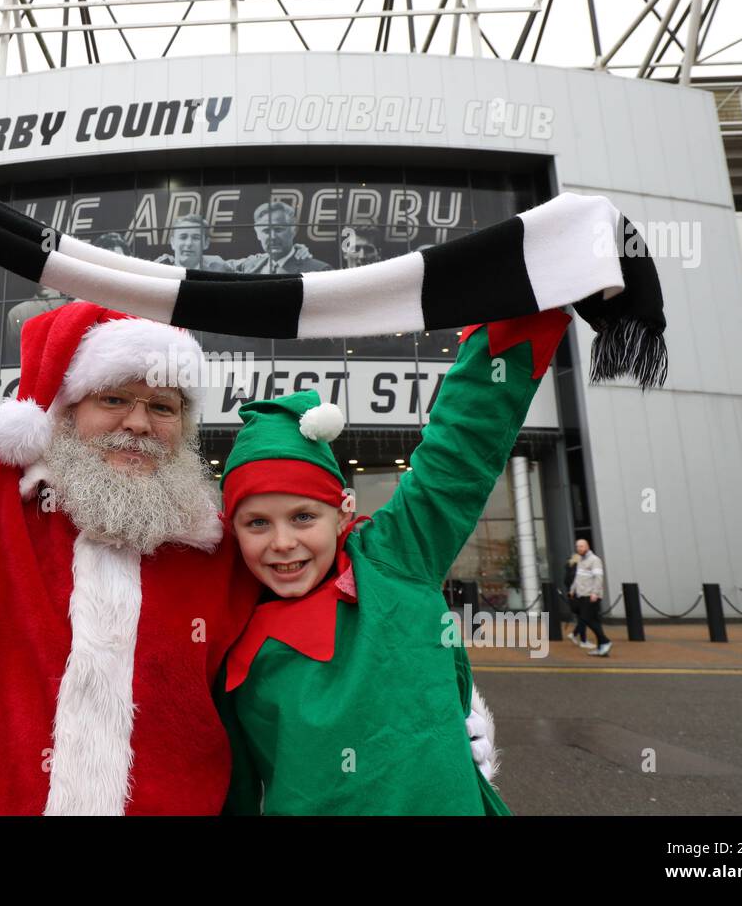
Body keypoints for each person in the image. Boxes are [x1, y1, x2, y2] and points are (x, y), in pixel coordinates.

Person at [0, 106, 498, 816]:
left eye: (165, 406)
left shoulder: (214, 549)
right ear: (66, 407)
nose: (140, 421)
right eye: (115, 397)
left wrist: (443, 706)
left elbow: (328, 629)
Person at [215, 307, 574, 814]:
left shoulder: (393, 559)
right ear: (233, 531)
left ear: (342, 515)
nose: (281, 542)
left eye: (302, 517)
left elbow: (461, 446)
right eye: (257, 523)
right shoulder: (228, 635)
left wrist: (531, 296)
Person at [227, 201, 332, 273]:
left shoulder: (318, 270)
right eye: (266, 231)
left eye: (278, 229)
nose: (272, 237)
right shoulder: (249, 267)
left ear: (293, 230)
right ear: (257, 234)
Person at [568, 538, 611, 657]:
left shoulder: (594, 560)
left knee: (586, 619)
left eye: (581, 546)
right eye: (577, 546)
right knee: (594, 620)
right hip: (582, 595)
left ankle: (605, 641)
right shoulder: (580, 560)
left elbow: (598, 578)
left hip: (590, 595)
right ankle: (601, 647)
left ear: (587, 546)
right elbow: (578, 577)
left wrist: (595, 593)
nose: (579, 548)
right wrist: (572, 590)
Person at [153, 214, 230, 271]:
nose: (189, 243)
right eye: (183, 237)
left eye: (196, 238)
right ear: (173, 242)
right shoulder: (158, 268)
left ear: (206, 243)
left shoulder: (218, 267)